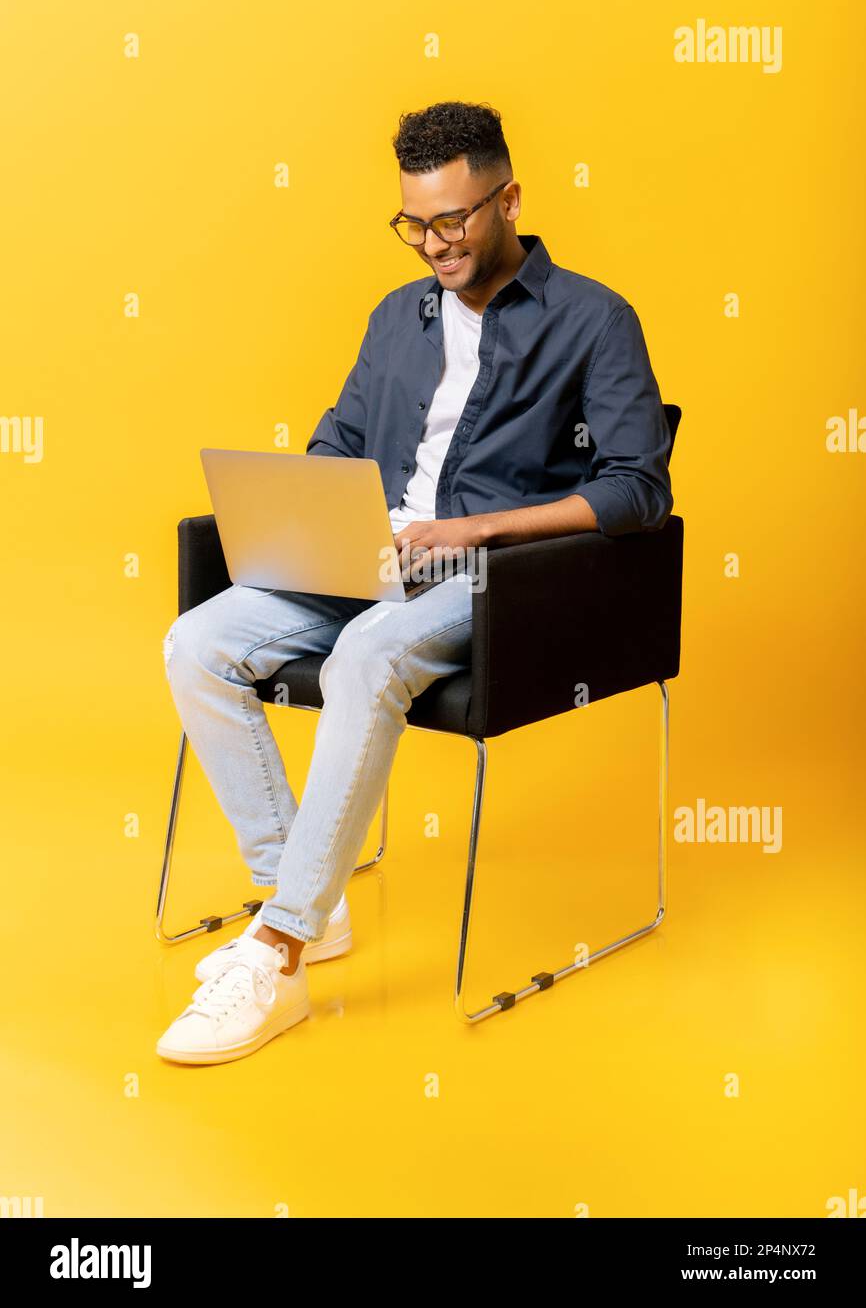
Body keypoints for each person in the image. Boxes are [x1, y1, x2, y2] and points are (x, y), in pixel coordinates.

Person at [156, 100, 673, 1065]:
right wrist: (314, 514)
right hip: (371, 558)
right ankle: (306, 894)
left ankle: (277, 953)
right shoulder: (398, 317)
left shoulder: (595, 320)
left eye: (455, 219)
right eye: (415, 224)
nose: (434, 244)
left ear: (508, 198)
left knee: (367, 651)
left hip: (495, 577)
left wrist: (474, 527)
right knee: (197, 643)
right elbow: (339, 441)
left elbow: (638, 489)